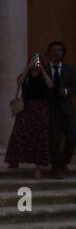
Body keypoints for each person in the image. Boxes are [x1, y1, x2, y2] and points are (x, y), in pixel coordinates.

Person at [5, 53, 53, 178]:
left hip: (40, 108)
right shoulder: (26, 76)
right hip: (26, 107)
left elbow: (50, 85)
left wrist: (42, 70)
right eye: (33, 60)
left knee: (39, 136)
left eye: (37, 61)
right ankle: (14, 159)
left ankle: (38, 167)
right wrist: (27, 69)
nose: (35, 63)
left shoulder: (44, 75)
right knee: (19, 132)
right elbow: (19, 82)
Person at [44, 41, 75, 177]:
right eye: (54, 50)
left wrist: (67, 91)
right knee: (54, 139)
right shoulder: (43, 69)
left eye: (60, 50)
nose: (57, 53)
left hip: (67, 109)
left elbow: (75, 86)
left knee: (73, 136)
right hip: (50, 109)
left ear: (63, 53)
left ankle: (63, 163)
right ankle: (55, 168)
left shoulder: (69, 69)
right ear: (49, 54)